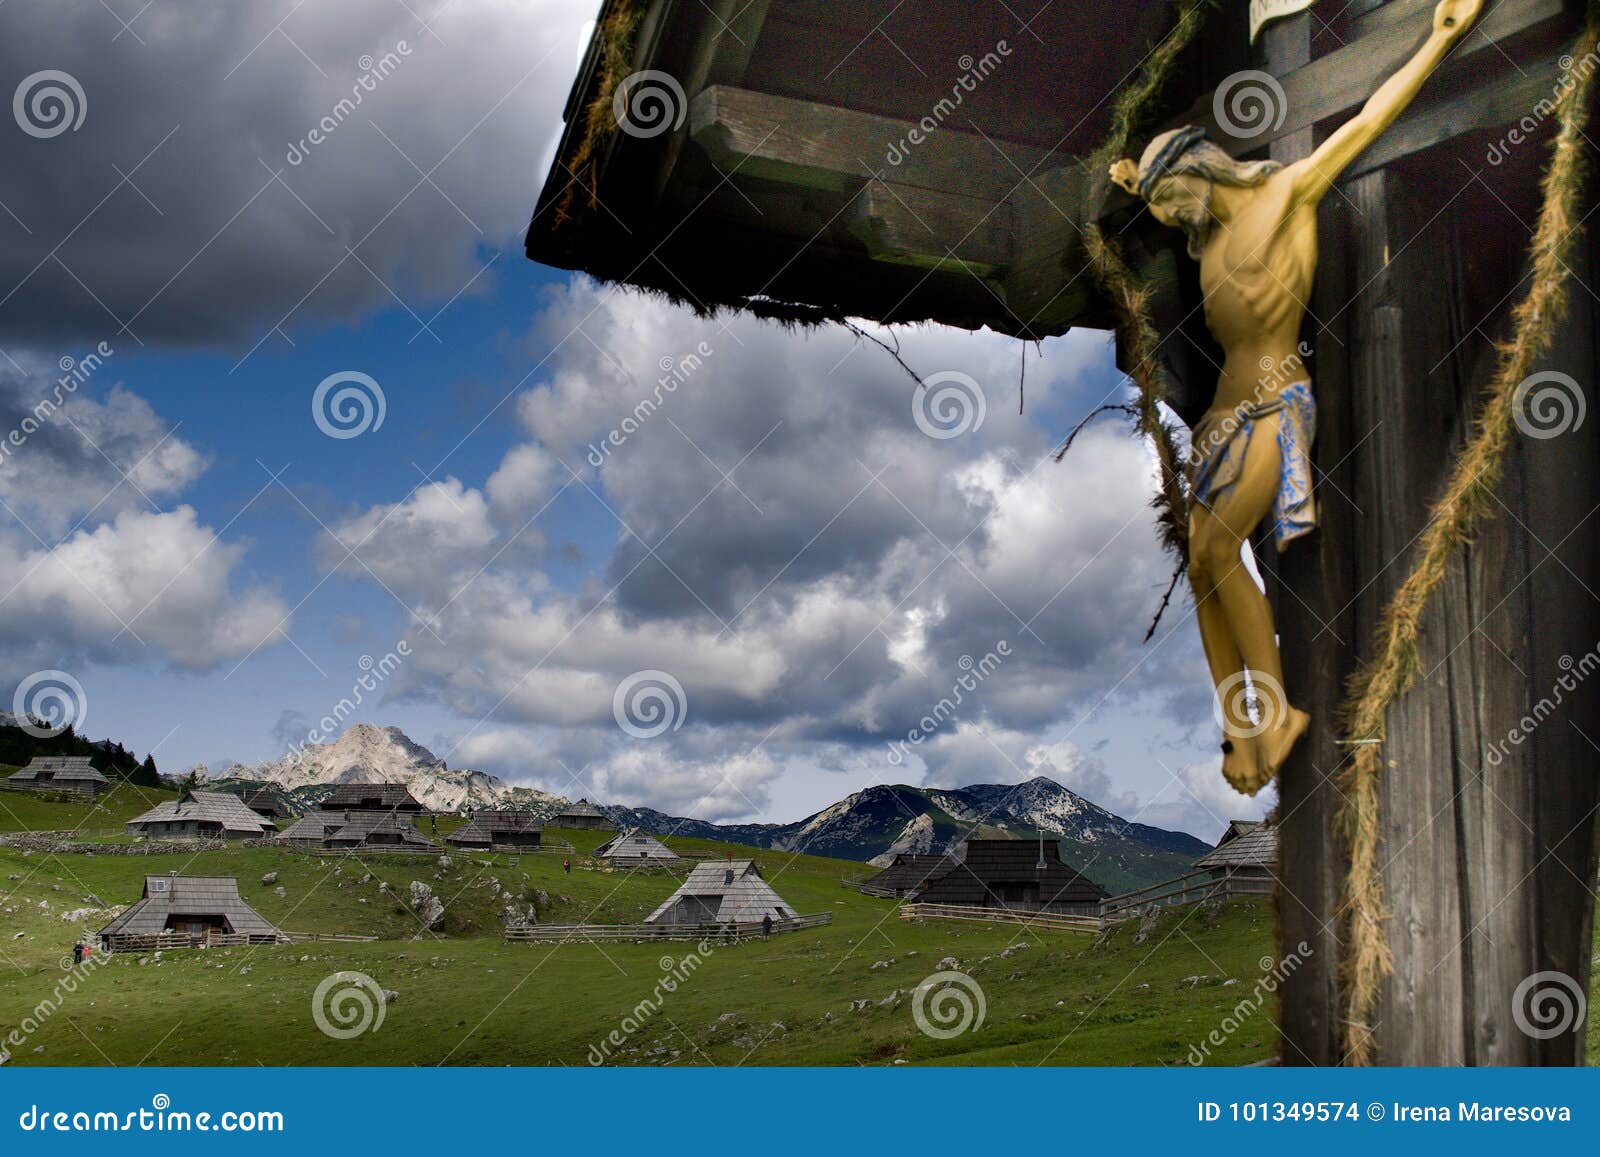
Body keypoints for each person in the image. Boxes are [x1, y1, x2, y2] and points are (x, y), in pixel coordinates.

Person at [1108, 0, 1483, 794]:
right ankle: (1241, 729)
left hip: (1277, 405)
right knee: (1206, 569)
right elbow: (1169, 195)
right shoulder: (1205, 236)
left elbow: (1369, 121)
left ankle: (1274, 713)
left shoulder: (1286, 199)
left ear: (1198, 174)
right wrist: (1137, 180)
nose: (1172, 221)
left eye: (1171, 201)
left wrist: (1441, 38)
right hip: (1222, 420)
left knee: (1215, 551)